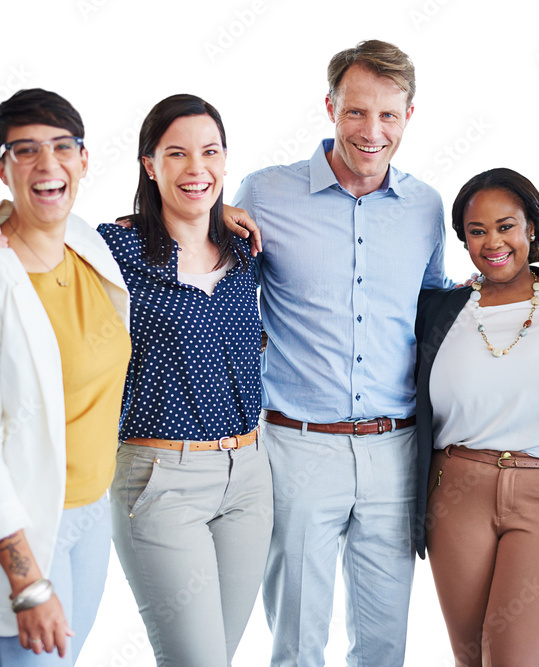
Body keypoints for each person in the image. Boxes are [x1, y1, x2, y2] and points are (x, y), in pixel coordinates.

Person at [232, 39, 449, 665]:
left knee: (384, 645)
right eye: (356, 112)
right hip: (296, 446)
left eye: (388, 115)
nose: (371, 131)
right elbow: (213, 283)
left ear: (410, 116)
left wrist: (536, 291)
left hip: (394, 451)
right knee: (297, 641)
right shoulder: (265, 193)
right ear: (329, 107)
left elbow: (433, 306)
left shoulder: (427, 207)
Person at [0, 88, 132, 665]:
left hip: (91, 514)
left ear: (84, 160)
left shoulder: (88, 242)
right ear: (0, 166)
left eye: (64, 147)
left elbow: (176, 217)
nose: (48, 164)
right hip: (25, 530)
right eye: (26, 150)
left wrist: (229, 212)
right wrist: (29, 583)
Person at [98, 94, 272, 666]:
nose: (196, 168)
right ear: (150, 164)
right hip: (160, 481)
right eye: (177, 154)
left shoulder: (243, 250)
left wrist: (212, 214)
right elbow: (40, 242)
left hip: (248, 478)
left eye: (210, 152)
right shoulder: (114, 248)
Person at [414, 168, 539, 666]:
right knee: (471, 658)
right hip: (455, 491)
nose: (492, 242)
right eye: (477, 231)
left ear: (532, 230)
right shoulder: (439, 309)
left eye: (506, 226)